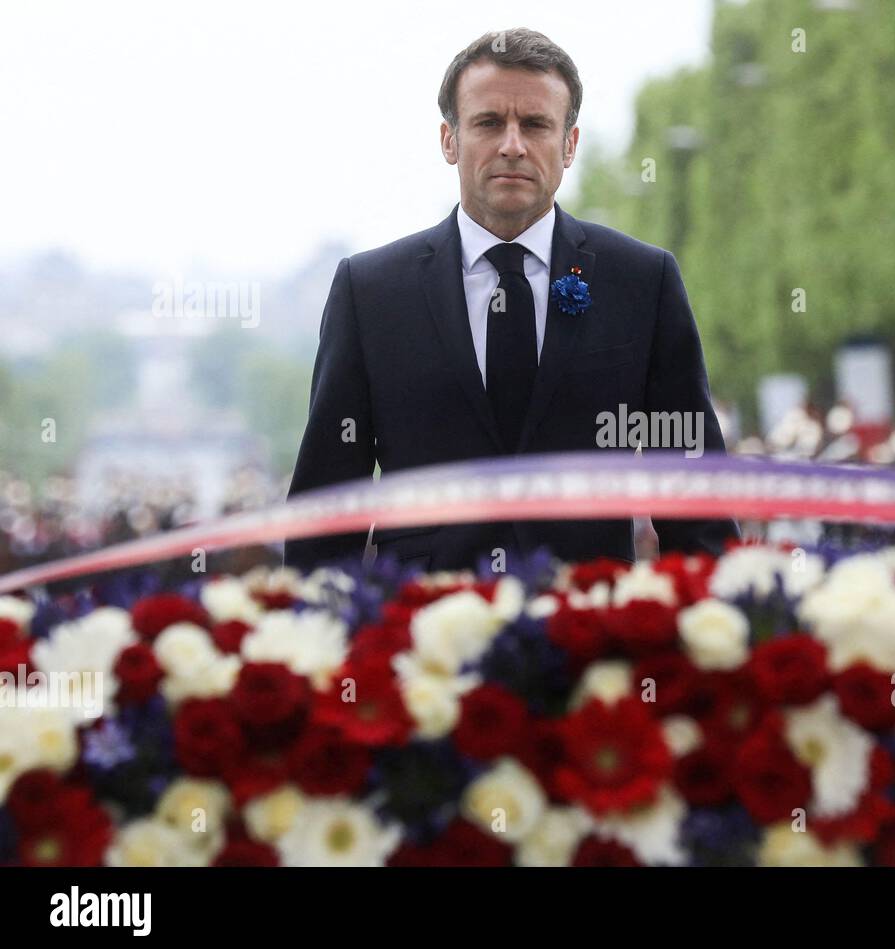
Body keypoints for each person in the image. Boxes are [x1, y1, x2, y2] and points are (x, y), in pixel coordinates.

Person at [284, 27, 737, 572]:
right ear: (449, 139)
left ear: (569, 145)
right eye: (489, 122)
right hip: (421, 632)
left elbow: (694, 495)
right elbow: (328, 503)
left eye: (537, 124)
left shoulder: (643, 281)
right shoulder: (371, 291)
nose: (513, 145)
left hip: (593, 629)